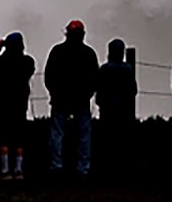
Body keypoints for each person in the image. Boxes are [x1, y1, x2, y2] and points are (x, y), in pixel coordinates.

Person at [43, 19, 99, 177]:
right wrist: (87, 94)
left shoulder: (57, 51)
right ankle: (83, 167)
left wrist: (54, 93)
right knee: (84, 135)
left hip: (60, 99)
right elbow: (94, 78)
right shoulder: (88, 53)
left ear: (67, 33)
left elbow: (49, 76)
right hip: (81, 100)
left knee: (57, 133)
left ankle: (56, 165)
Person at [0, 31, 34, 179]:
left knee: (3, 136)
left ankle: (5, 170)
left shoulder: (1, 62)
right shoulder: (27, 62)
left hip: (2, 103)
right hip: (19, 103)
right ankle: (18, 169)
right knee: (19, 137)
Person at [95, 38, 137, 178]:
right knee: (123, 140)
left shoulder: (104, 69)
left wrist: (100, 102)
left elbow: (99, 89)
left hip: (107, 109)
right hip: (124, 109)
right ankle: (124, 170)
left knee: (107, 140)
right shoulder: (128, 69)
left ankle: (106, 169)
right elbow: (133, 89)